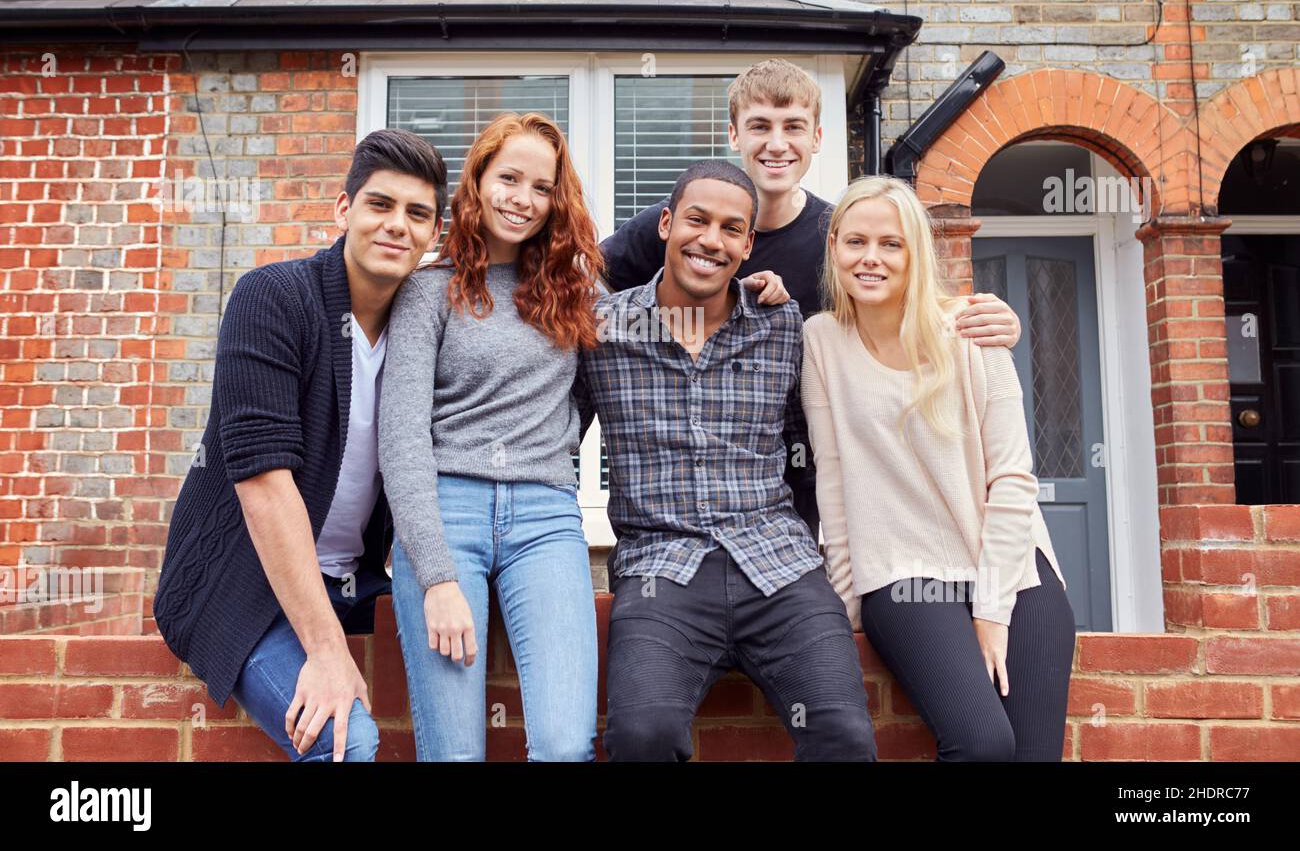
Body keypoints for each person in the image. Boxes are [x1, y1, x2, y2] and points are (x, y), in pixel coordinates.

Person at [599, 57, 1022, 536]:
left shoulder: (839, 236)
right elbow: (584, 281)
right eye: (759, 126)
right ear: (734, 135)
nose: (776, 144)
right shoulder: (688, 220)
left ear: (817, 138)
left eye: (793, 127)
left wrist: (982, 316)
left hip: (803, 476)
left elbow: (907, 307)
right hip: (684, 482)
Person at [153, 128, 448, 761]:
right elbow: (263, 485)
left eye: (417, 214)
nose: (397, 225)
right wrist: (325, 652)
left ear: (434, 235)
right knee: (346, 742)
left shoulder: (420, 329)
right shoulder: (275, 298)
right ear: (344, 211)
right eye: (380, 204)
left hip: (350, 584)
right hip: (243, 584)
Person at [575, 159, 877, 762]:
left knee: (844, 736)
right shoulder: (601, 330)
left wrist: (960, 319)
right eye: (697, 220)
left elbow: (819, 438)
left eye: (731, 229)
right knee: (642, 737)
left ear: (747, 245)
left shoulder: (781, 324)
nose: (711, 240)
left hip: (780, 567)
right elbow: (552, 437)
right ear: (665, 224)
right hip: (662, 569)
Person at [801, 175, 1077, 762]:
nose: (870, 258)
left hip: (1012, 569)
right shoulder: (821, 342)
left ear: (915, 254)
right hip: (902, 573)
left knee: (1032, 755)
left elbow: (1012, 479)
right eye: (855, 242)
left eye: (891, 244)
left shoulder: (974, 331)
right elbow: (834, 481)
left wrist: (992, 611)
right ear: (833, 248)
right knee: (982, 745)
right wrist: (846, 612)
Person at [378, 112, 604, 761]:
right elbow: (401, 439)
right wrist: (437, 576)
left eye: (542, 188)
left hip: (547, 518)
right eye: (508, 178)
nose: (523, 199)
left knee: (565, 746)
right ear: (477, 180)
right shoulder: (428, 289)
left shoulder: (572, 291)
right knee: (454, 755)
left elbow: (581, 402)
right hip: (445, 513)